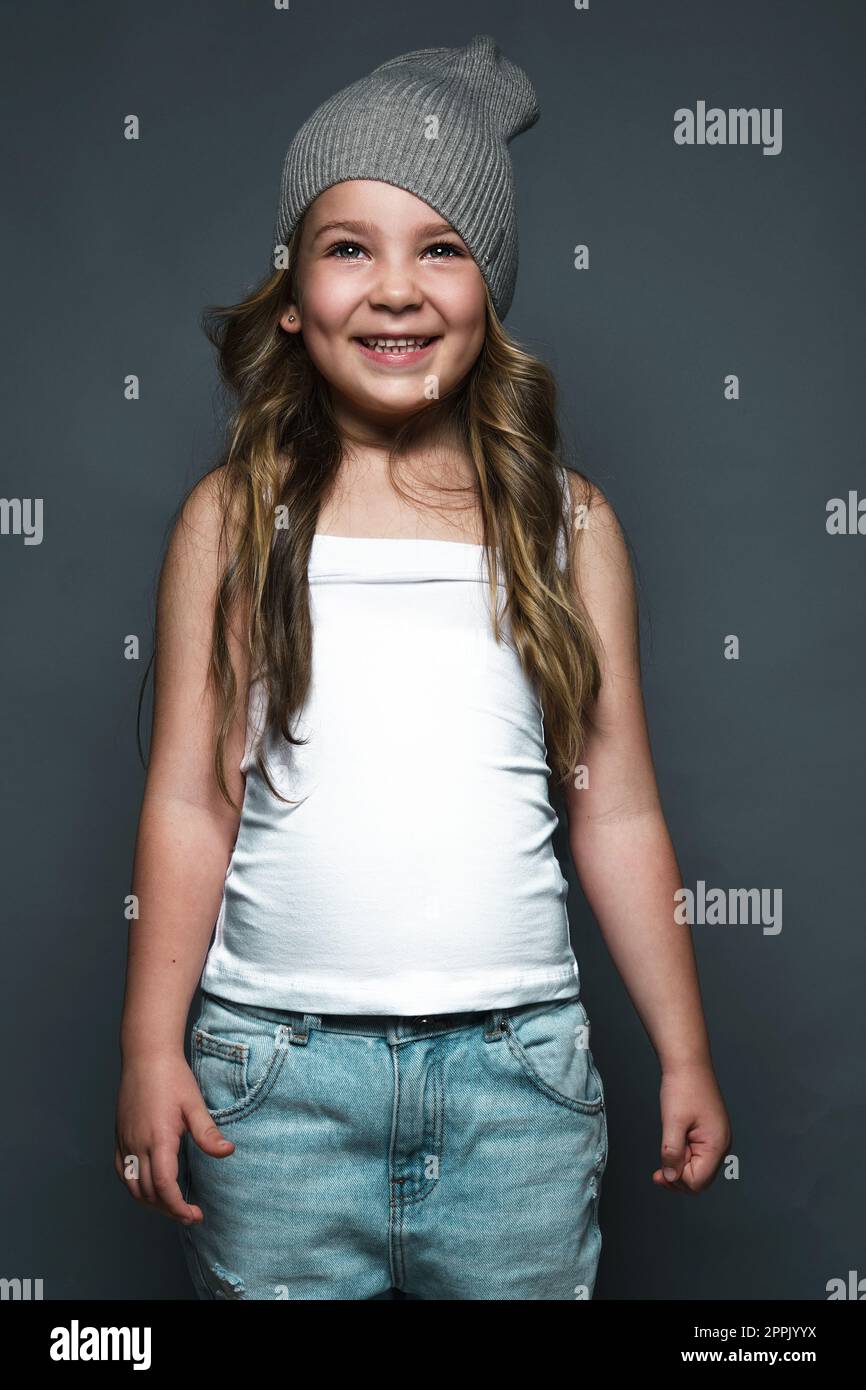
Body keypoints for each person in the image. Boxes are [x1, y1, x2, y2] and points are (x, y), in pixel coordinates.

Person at [115, 33, 731, 1300]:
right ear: (290, 292)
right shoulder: (233, 519)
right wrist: (148, 1041)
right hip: (271, 1084)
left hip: (520, 1084)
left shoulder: (568, 526)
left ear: (489, 292)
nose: (394, 288)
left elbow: (612, 805)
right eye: (349, 247)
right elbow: (192, 796)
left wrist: (682, 1049)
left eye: (440, 248)